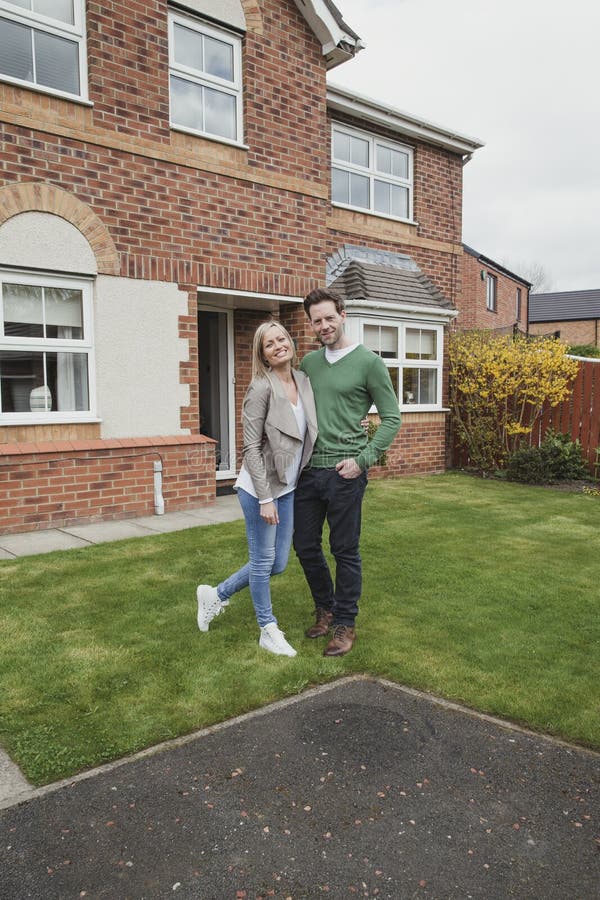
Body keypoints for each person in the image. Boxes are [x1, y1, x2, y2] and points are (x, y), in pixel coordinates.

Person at [196, 321, 317, 656]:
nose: (278, 346)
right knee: (263, 561)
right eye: (269, 344)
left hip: (288, 486)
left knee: (278, 564)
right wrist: (265, 497)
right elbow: (250, 447)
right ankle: (268, 628)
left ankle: (216, 595)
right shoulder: (260, 388)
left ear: (291, 343)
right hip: (259, 489)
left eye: (282, 339)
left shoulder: (302, 380)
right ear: (262, 355)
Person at [293, 288, 401, 657]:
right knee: (305, 546)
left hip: (345, 472)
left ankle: (344, 624)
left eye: (328, 318)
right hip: (309, 470)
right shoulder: (308, 364)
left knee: (344, 550)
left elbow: (392, 418)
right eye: (316, 321)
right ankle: (325, 608)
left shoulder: (369, 363)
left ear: (343, 314)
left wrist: (364, 459)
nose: (323, 326)